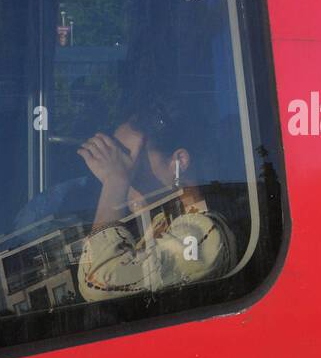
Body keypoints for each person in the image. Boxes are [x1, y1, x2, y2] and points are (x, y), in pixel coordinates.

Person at [74, 99, 234, 302]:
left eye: (129, 158)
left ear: (179, 162)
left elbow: (101, 283)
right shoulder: (158, 225)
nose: (122, 168)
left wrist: (115, 181)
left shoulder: (205, 234)